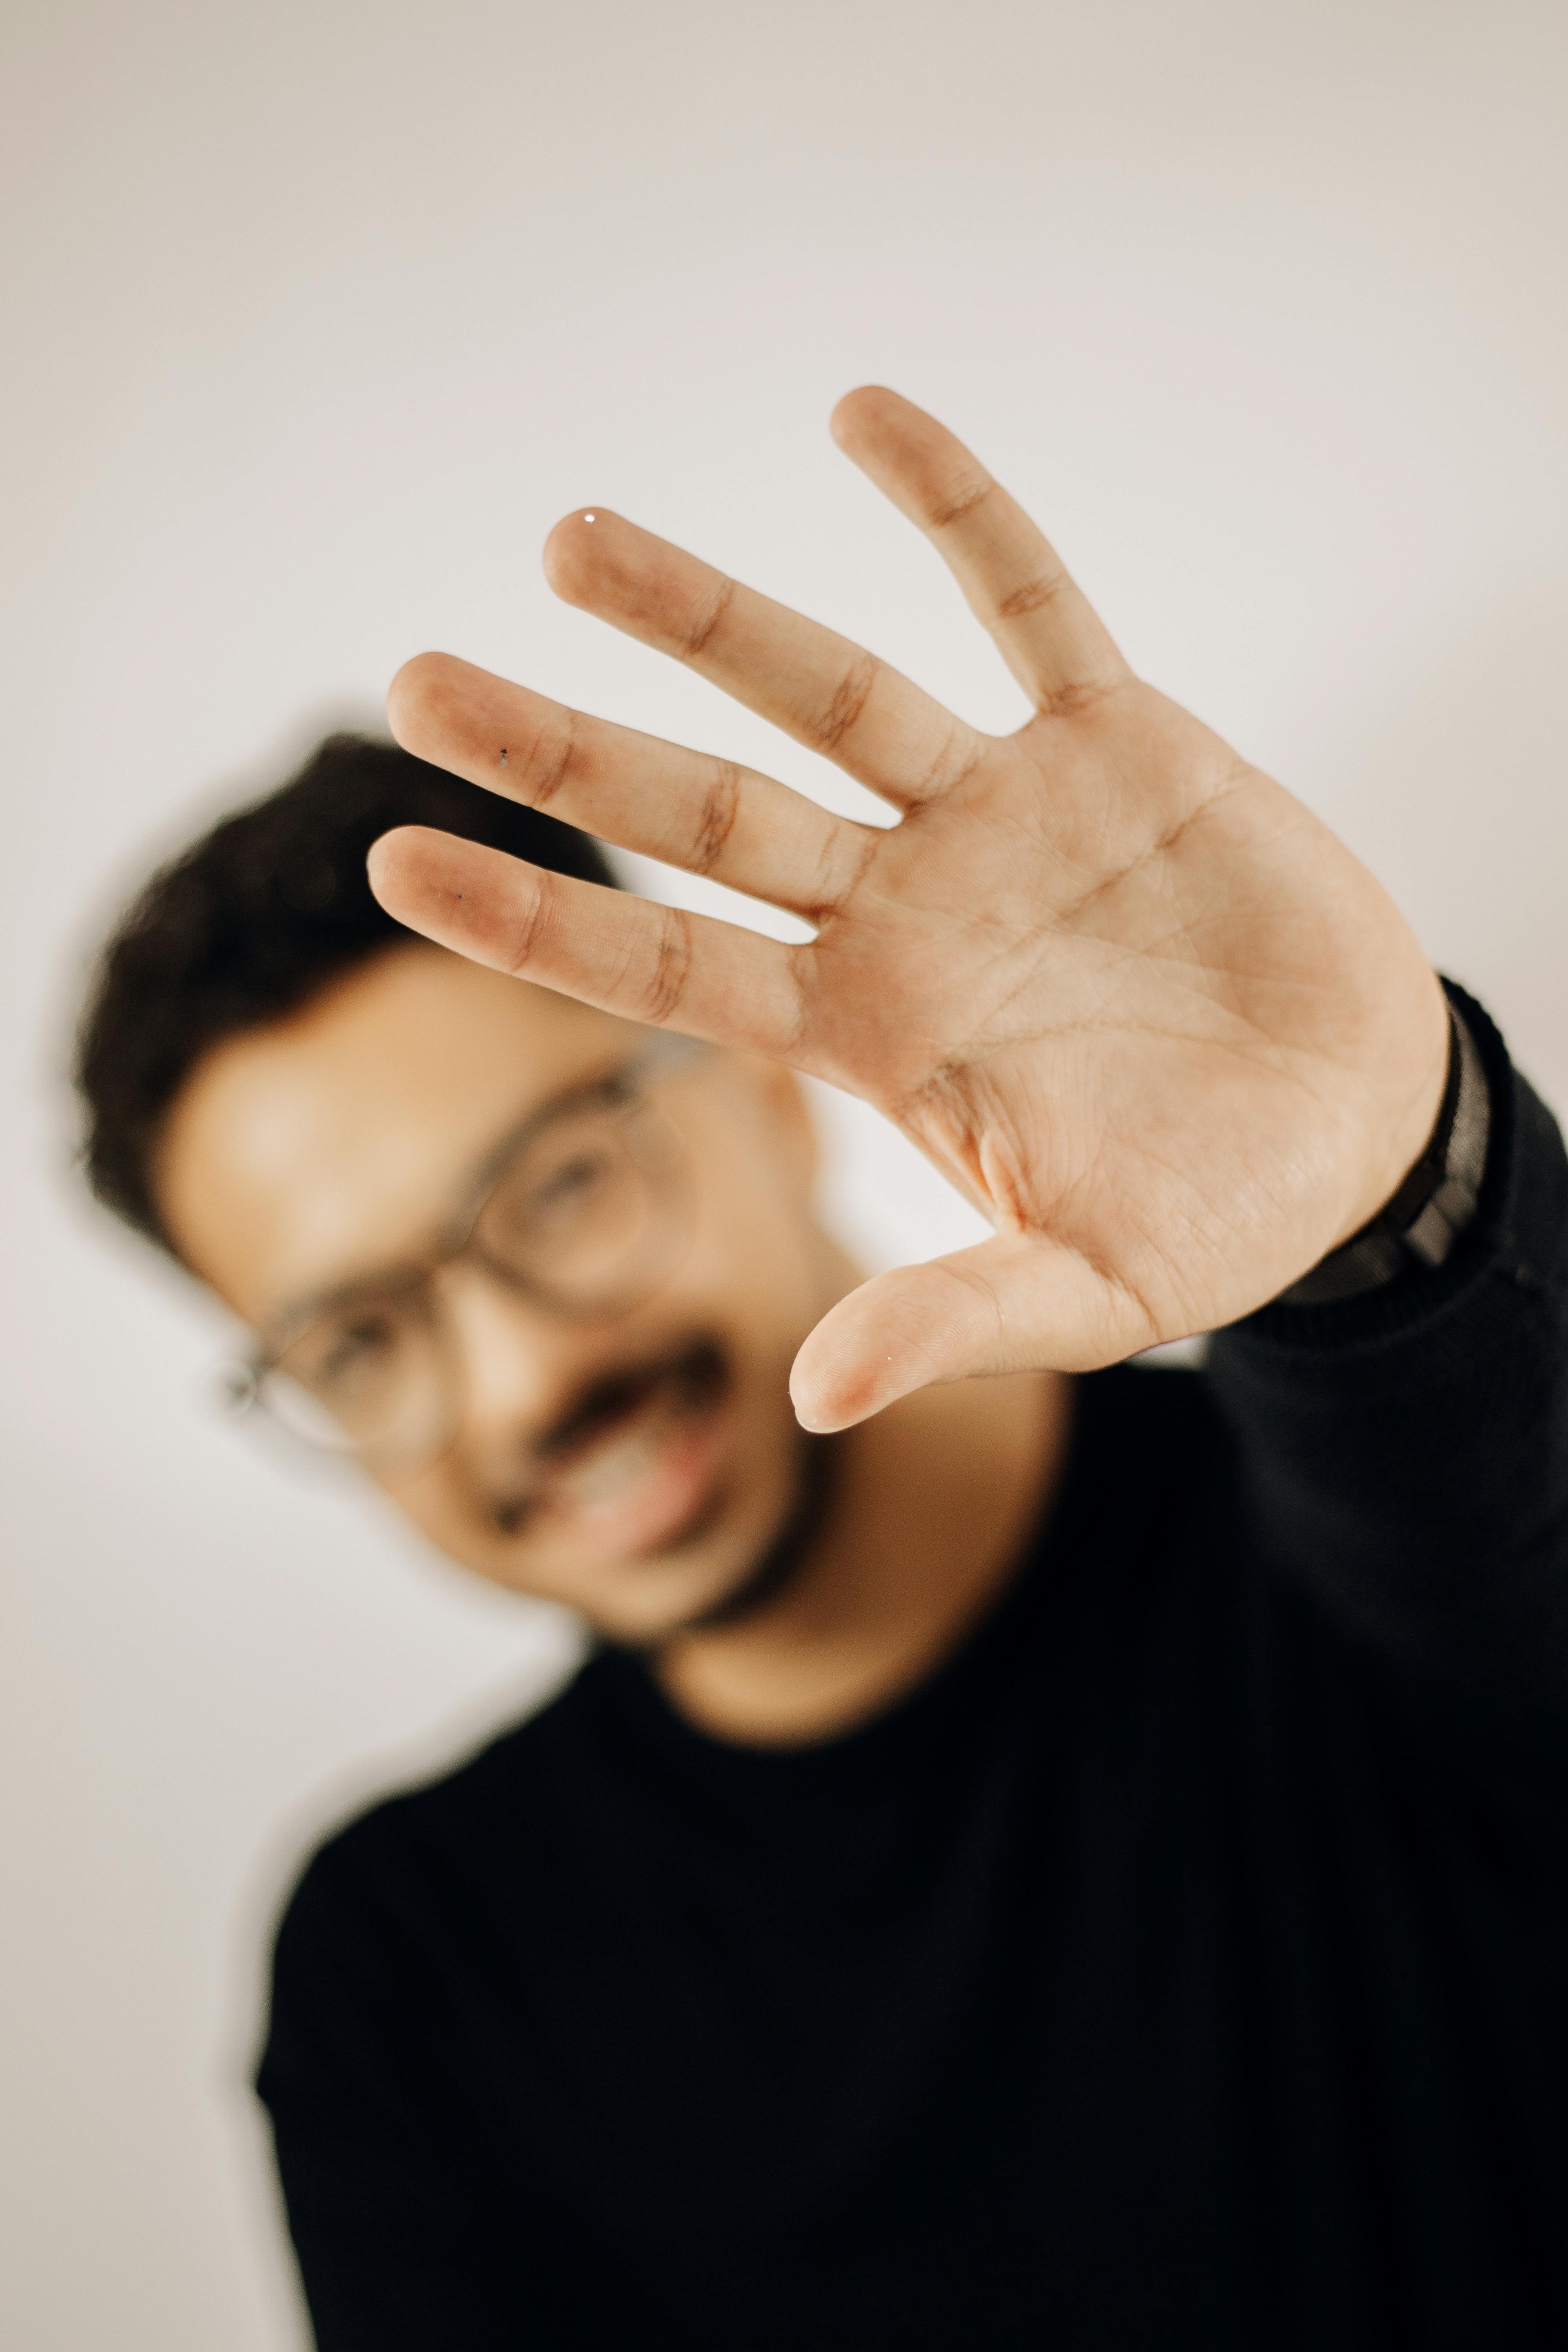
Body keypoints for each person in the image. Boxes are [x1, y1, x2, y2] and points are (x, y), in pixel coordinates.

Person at [76, 388, 1568, 2349]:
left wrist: (1380, 1202)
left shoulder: (1353, 1564)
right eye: (358, 1339)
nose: (521, 1384)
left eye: (559, 1186)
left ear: (765, 1093)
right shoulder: (415, 1977)